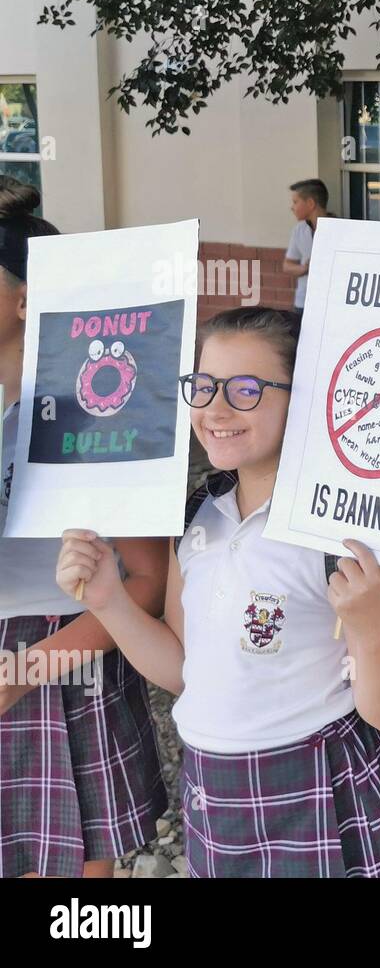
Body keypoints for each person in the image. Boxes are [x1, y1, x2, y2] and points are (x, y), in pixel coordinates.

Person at [54, 306, 380, 877]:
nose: (214, 409)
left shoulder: (345, 531)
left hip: (316, 782)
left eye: (246, 389)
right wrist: (109, 600)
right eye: (202, 386)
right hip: (211, 787)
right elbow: (183, 669)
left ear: (306, 395)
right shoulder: (201, 514)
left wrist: (373, 634)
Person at [0, 176, 168, 877]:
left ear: (26, 299)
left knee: (79, 877)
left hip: (64, 652)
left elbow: (150, 583)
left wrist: (23, 671)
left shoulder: (109, 407)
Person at [284, 178, 330, 310]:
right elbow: (287, 265)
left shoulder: (337, 229)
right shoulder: (299, 230)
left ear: (310, 203)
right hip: (303, 302)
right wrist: (305, 268)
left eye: (295, 202)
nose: (292, 207)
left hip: (328, 302)